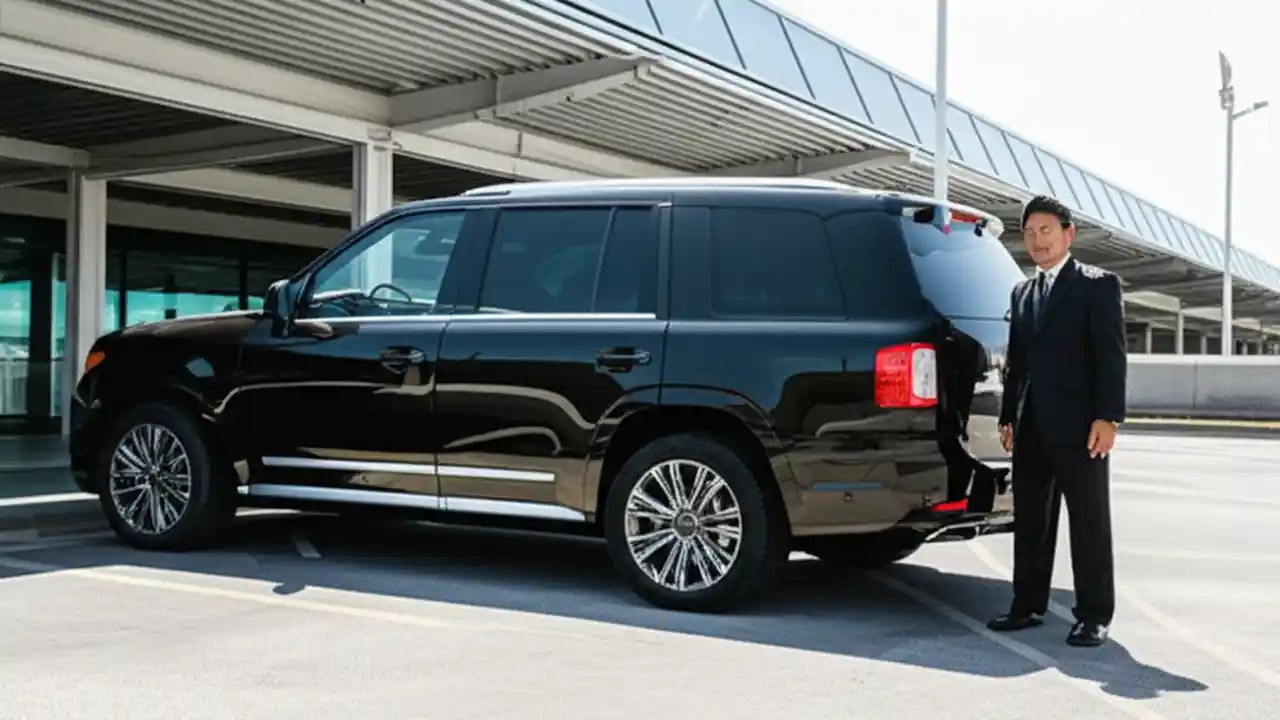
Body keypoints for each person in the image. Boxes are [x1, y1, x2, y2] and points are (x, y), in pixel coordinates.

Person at [987, 195, 1127, 647]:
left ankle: (1093, 615)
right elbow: (1018, 363)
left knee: (1088, 521)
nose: (1037, 240)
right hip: (1032, 428)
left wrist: (1109, 417)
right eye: (1029, 232)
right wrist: (1009, 415)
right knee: (1031, 520)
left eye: (1046, 230)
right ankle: (1026, 604)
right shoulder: (1022, 292)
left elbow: (1110, 357)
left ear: (1068, 234)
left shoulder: (1097, 285)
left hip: (1081, 427)